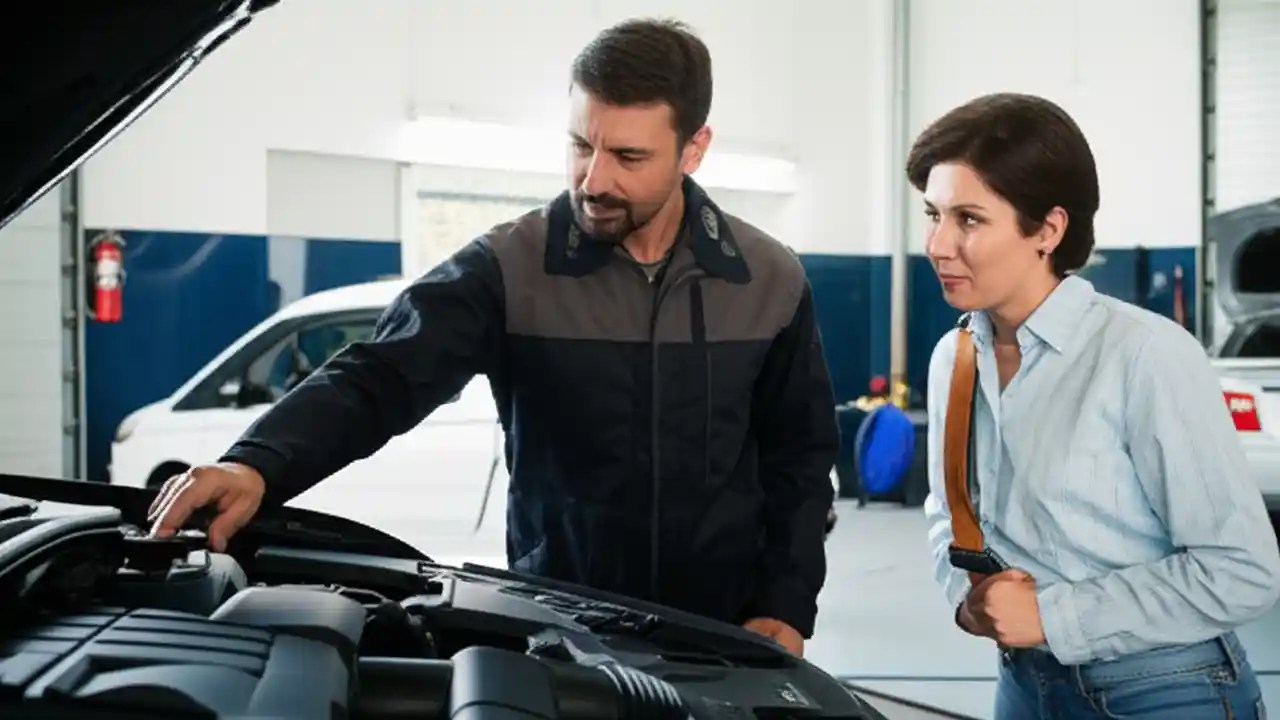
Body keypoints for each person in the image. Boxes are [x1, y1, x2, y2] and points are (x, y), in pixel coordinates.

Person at [146, 18, 839, 656]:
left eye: (628, 156)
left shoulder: (768, 279)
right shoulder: (509, 267)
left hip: (722, 633)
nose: (593, 179)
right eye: (580, 144)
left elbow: (799, 459)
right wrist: (258, 463)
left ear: (694, 149)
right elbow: (379, 376)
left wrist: (785, 600)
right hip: (563, 625)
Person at [912, 92, 1280, 718]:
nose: (939, 245)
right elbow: (948, 512)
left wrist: (1050, 615)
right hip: (1025, 685)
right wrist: (965, 596)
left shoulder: (1144, 354)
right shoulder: (956, 357)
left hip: (1167, 690)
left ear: (1048, 230)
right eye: (933, 214)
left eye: (969, 219)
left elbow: (1242, 569)